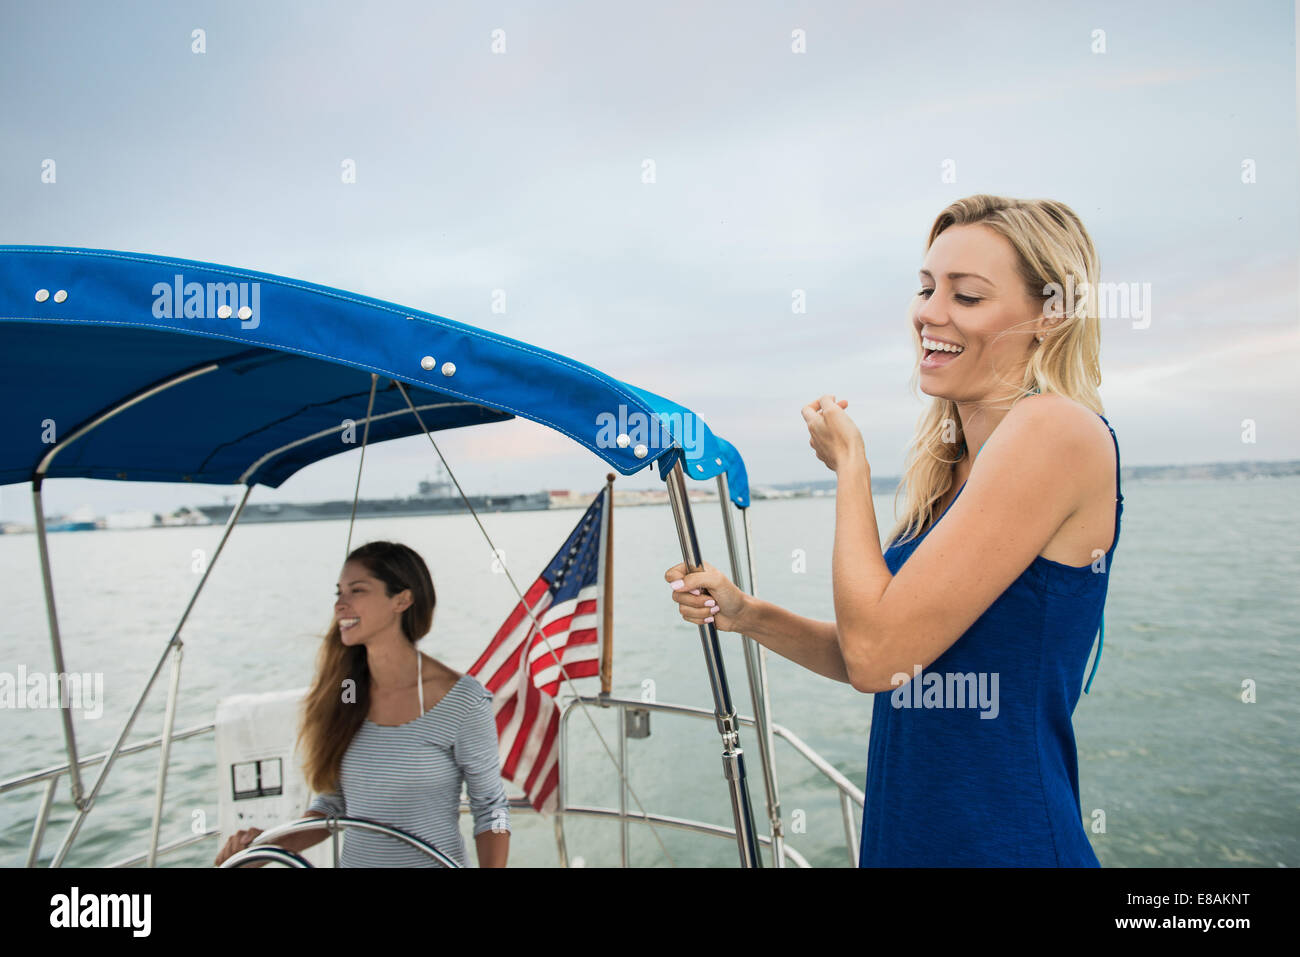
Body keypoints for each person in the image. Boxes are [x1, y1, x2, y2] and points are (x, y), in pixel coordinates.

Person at [665, 194, 1122, 867]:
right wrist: (749, 613)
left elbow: (880, 655)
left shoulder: (1056, 430)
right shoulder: (953, 468)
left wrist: (851, 468)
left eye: (966, 296)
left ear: (1048, 317)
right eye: (926, 287)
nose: (929, 312)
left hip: (1003, 844)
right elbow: (873, 654)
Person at [215, 541, 510, 867]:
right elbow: (333, 802)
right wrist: (262, 848)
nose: (340, 604)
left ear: (402, 599)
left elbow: (492, 809)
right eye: (338, 592)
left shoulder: (462, 700)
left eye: (357, 591)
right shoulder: (348, 691)